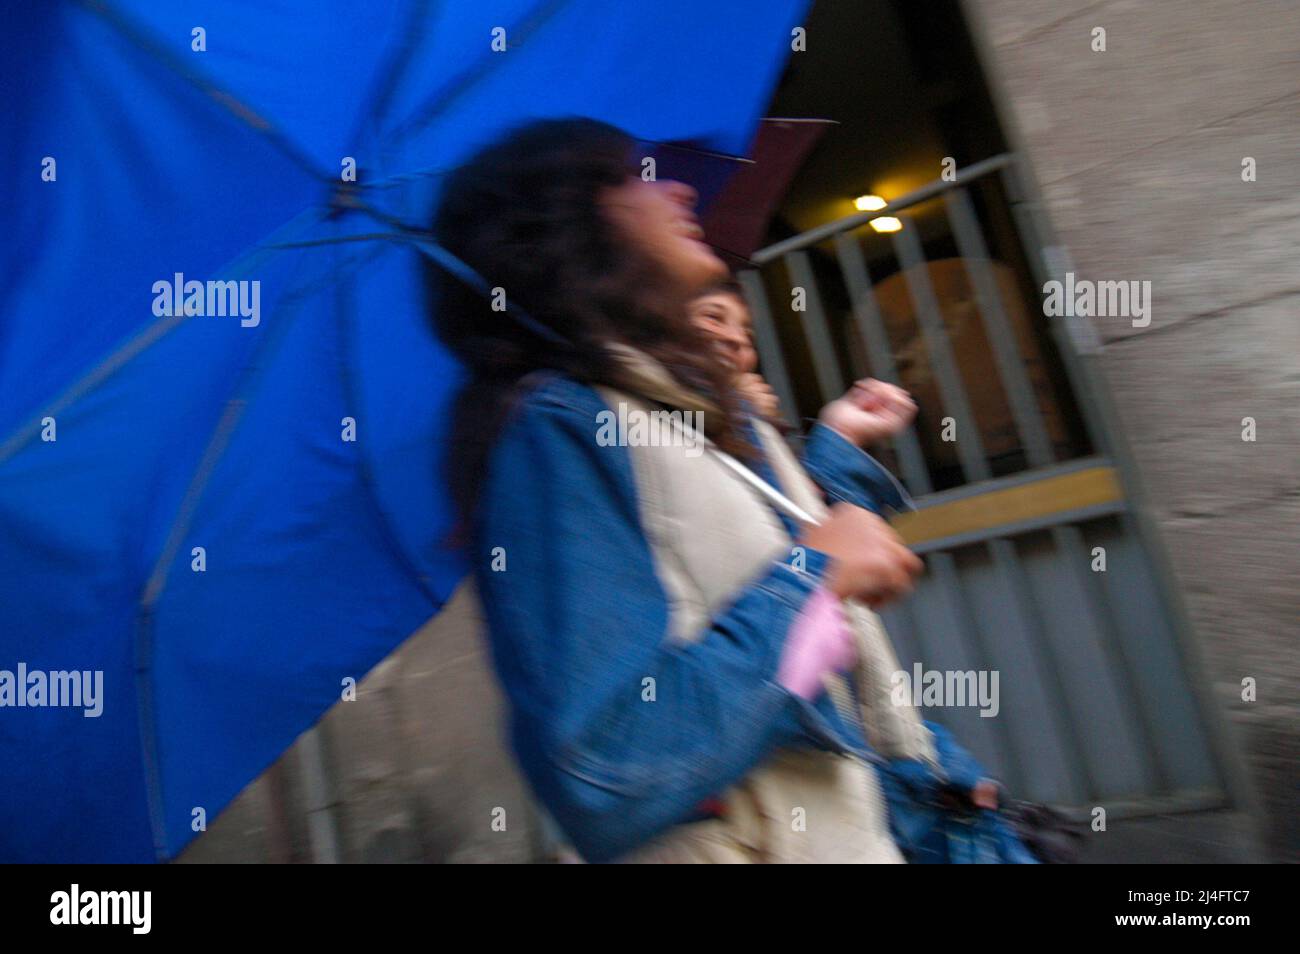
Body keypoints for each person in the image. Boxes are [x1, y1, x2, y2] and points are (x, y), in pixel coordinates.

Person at [429, 117, 977, 862]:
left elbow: (744, 563)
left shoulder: (683, 407)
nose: (680, 190)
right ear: (566, 229)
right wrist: (816, 582)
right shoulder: (560, 429)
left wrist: (840, 456)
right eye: (635, 177)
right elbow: (608, 767)